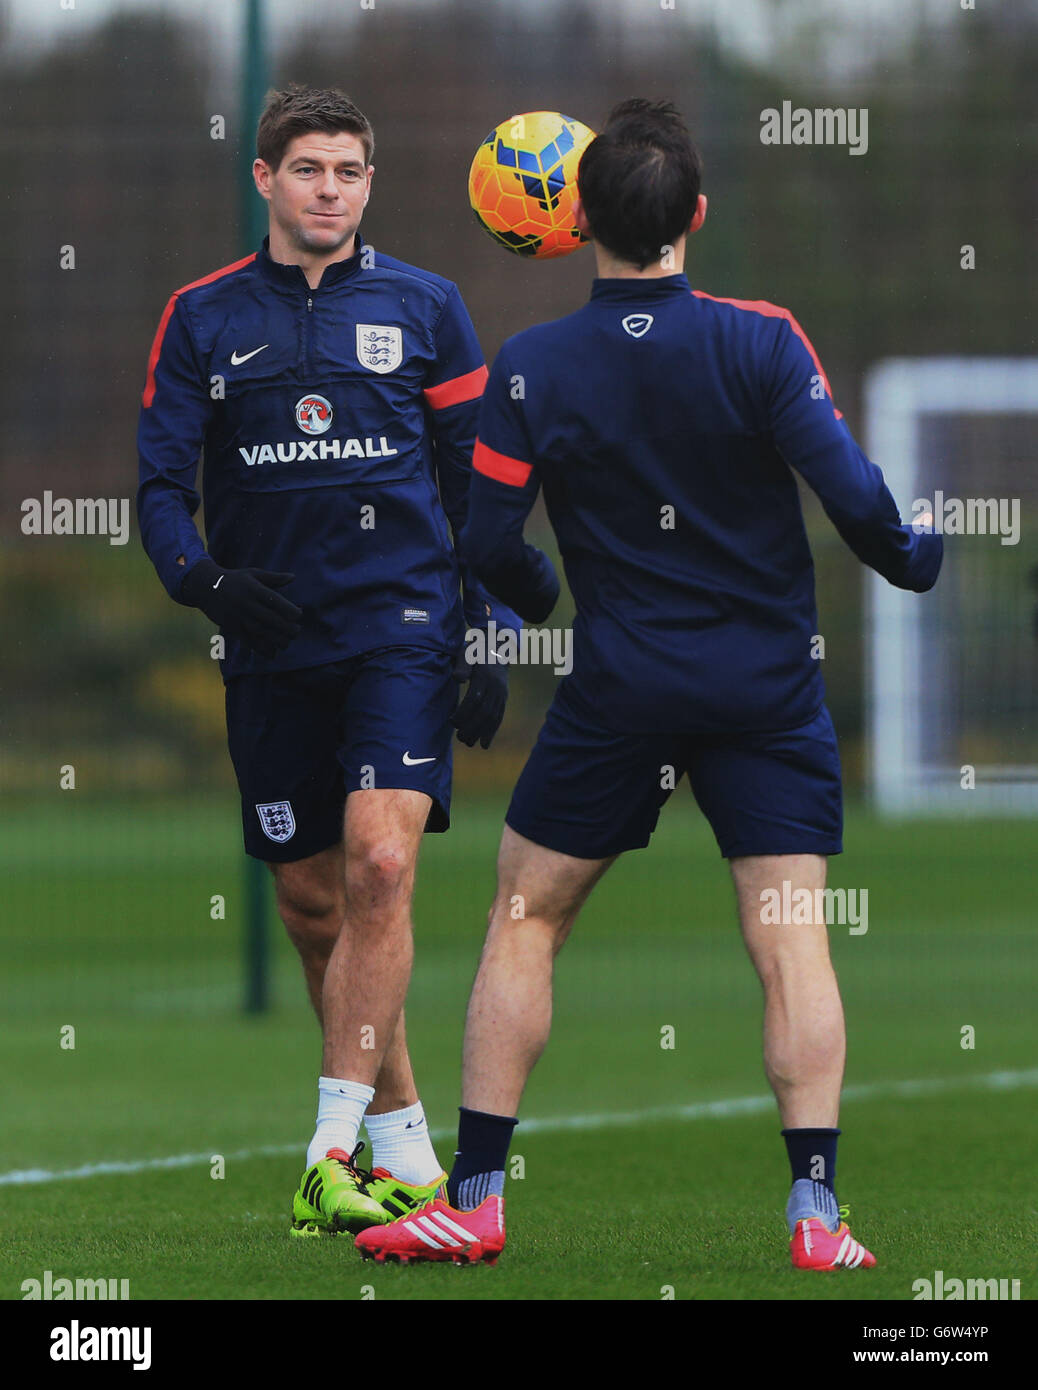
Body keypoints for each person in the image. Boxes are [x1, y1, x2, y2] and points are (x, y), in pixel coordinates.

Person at [356, 98, 942, 1270]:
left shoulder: (531, 367)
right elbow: (861, 508)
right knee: (791, 942)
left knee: (523, 922)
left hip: (620, 688)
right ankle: (817, 1214)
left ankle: (475, 1198)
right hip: (768, 691)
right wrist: (919, 553)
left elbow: (483, 538)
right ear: (698, 216)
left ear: (574, 222)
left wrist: (542, 593)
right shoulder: (763, 338)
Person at [137, 84, 518, 1237]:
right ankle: (402, 1150)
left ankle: (324, 1149)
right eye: (309, 169)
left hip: (400, 626)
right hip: (270, 643)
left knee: (381, 865)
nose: (330, 190)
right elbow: (159, 486)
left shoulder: (428, 306)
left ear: (369, 183)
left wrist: (485, 622)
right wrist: (204, 584)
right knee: (314, 905)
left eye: (349, 171)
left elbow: (477, 482)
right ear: (264, 178)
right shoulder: (200, 316)